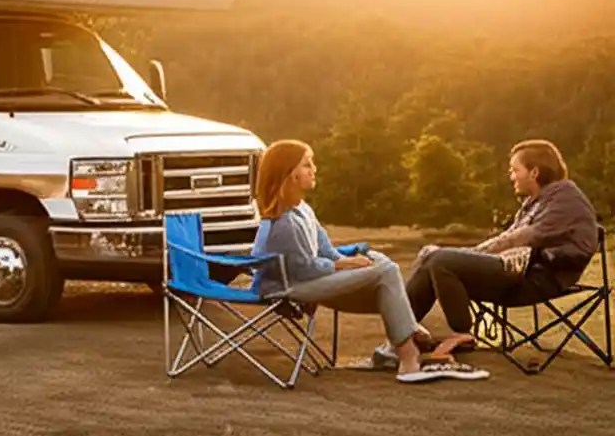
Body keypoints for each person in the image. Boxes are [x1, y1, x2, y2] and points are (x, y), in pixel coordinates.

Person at [251, 139, 488, 383]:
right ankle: (408, 357)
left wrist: (349, 260)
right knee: (386, 272)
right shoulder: (283, 223)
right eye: (307, 164)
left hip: (308, 278)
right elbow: (304, 270)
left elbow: (326, 250)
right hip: (289, 287)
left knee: (377, 260)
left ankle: (396, 345)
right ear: (290, 175)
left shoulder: (303, 209)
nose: (314, 169)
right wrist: (341, 265)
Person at [396, 139, 600, 361]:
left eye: (515, 170)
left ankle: (462, 335)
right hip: (517, 270)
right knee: (430, 256)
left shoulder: (566, 199)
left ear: (534, 172)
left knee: (440, 260)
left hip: (537, 277)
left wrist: (470, 255)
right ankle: (401, 333)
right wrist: (469, 256)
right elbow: (509, 239)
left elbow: (519, 239)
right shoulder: (535, 202)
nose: (511, 176)